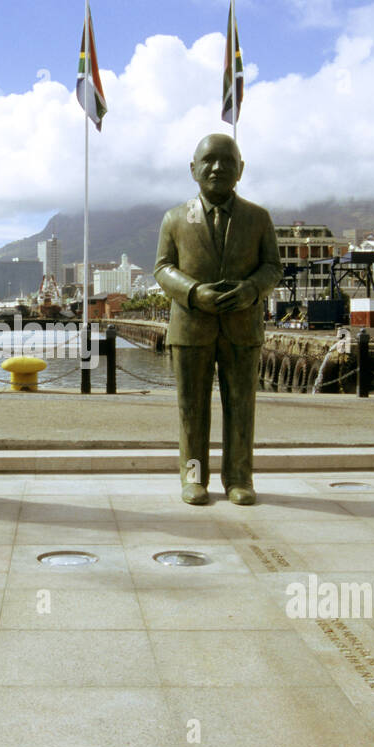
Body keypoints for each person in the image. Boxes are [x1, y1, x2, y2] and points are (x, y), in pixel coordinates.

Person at [154, 134, 282, 505]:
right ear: (193, 169)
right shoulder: (175, 218)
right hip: (191, 326)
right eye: (208, 160)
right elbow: (163, 268)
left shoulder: (258, 218)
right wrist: (194, 292)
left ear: (240, 169)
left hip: (243, 326)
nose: (217, 167)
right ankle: (193, 478)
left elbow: (273, 266)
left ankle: (240, 478)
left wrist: (251, 289)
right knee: (191, 408)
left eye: (227, 160)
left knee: (241, 405)